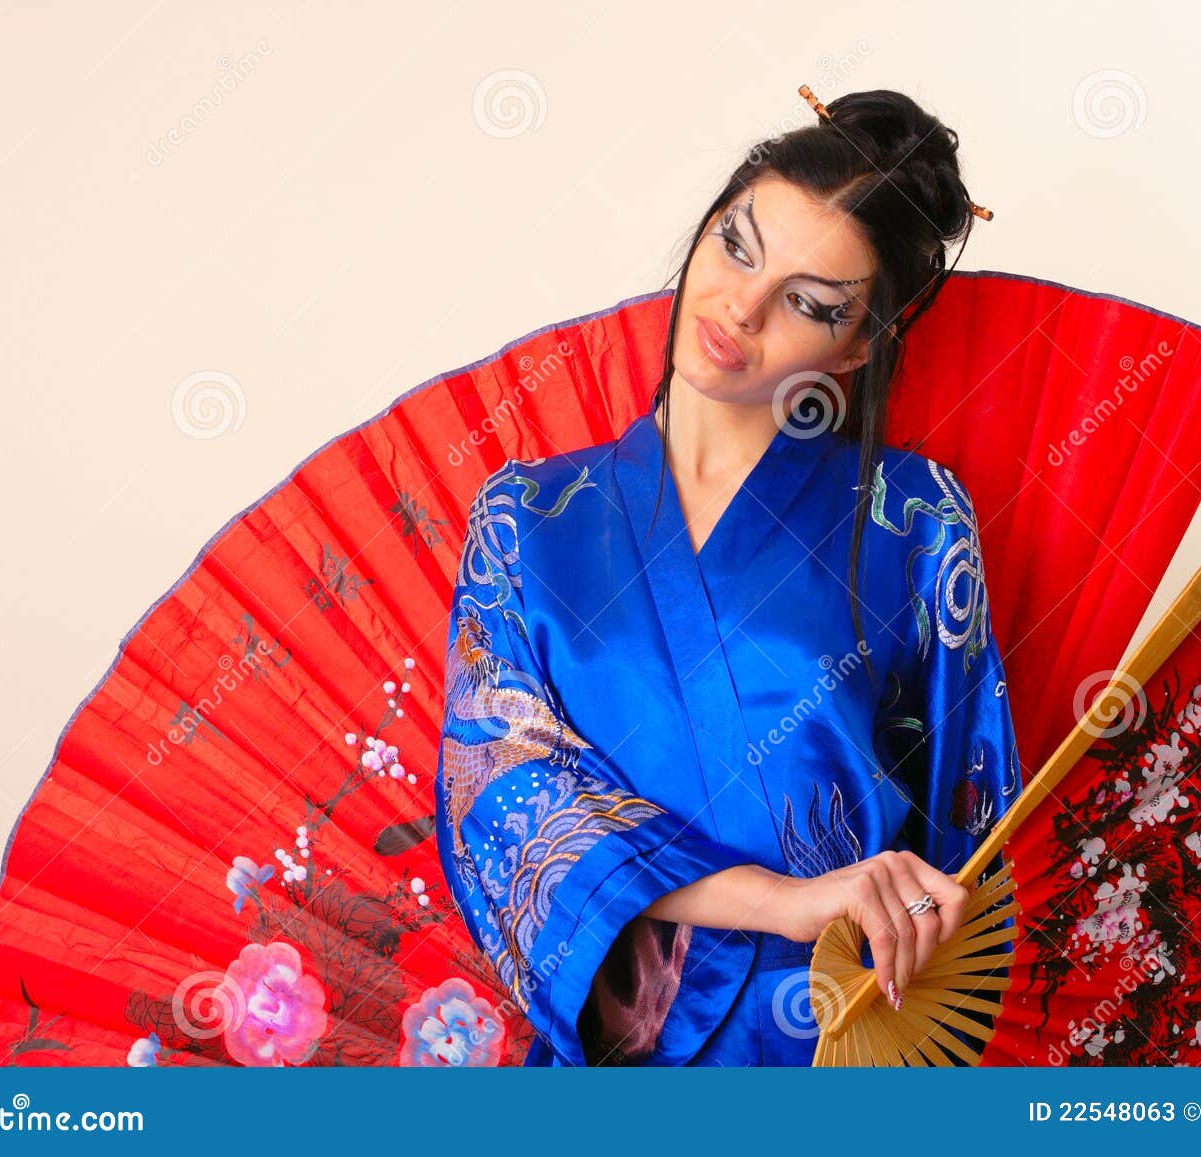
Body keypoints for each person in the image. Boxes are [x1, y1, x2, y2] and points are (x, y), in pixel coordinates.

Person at [432, 88, 1021, 1066]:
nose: (739, 309)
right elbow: (500, 784)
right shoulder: (527, 522)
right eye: (738, 245)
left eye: (809, 302)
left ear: (861, 341)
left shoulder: (914, 522)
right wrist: (781, 901)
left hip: (838, 1045)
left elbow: (975, 827)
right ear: (708, 222)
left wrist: (904, 919)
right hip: (615, 1050)